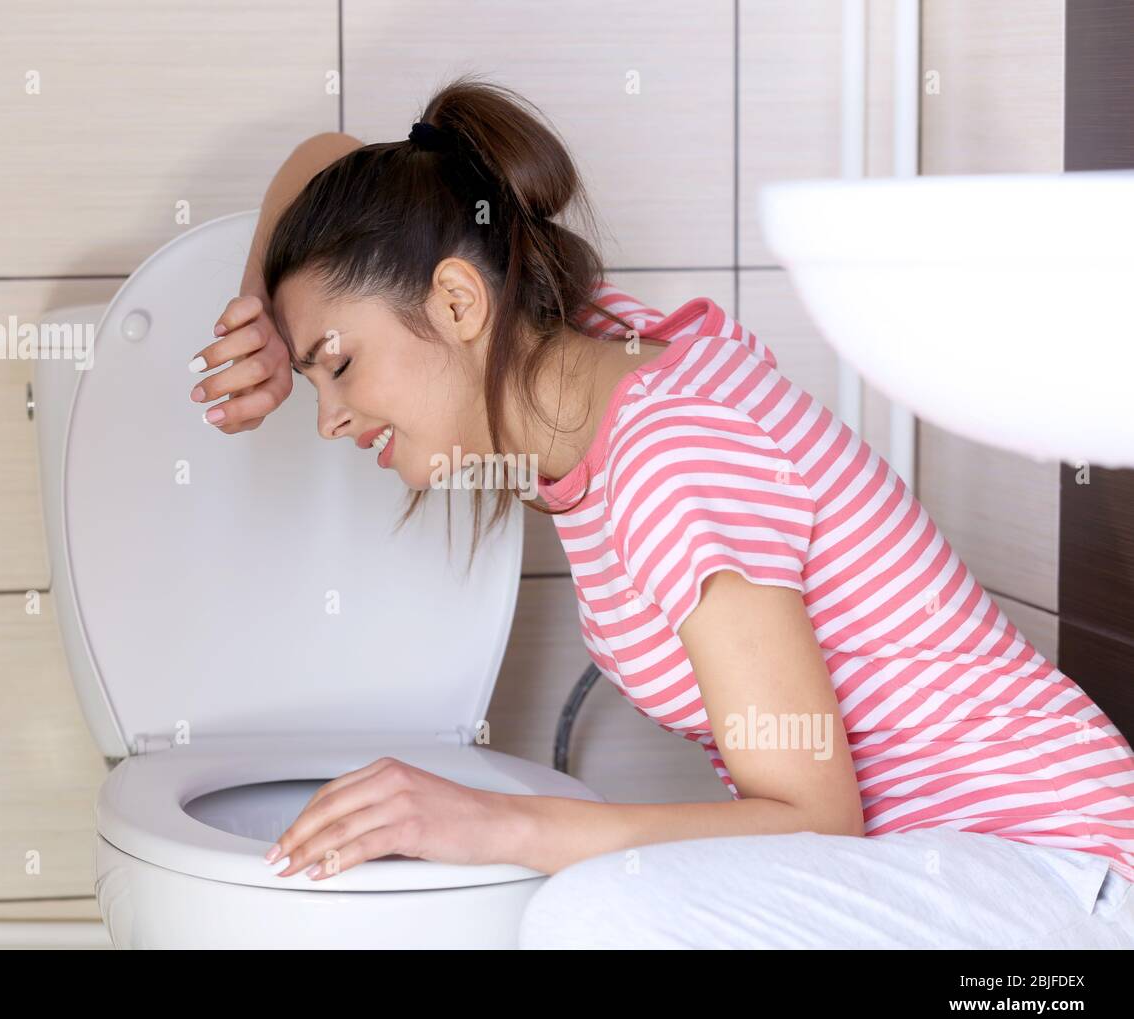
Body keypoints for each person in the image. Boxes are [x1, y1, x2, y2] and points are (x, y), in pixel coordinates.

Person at [185, 74, 1134, 949]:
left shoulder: (671, 454)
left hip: (1066, 887)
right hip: (955, 875)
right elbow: (330, 164)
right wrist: (266, 320)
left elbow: (813, 816)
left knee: (593, 911)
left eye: (340, 366)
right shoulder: (583, 351)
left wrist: (493, 822)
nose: (329, 418)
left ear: (461, 300)